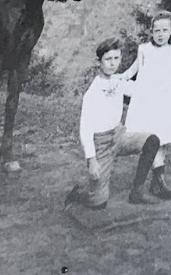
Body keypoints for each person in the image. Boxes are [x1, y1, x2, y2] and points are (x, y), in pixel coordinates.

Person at [65, 38, 161, 210]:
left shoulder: (117, 81)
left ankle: (137, 192)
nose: (113, 63)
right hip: (101, 144)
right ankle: (79, 193)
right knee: (98, 204)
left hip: (119, 136)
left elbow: (137, 89)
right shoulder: (92, 92)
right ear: (99, 62)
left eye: (116, 58)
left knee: (152, 140)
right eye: (108, 59)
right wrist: (92, 160)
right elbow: (85, 129)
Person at [123, 11, 171, 200]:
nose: (160, 34)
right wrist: (118, 79)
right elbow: (133, 70)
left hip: (167, 101)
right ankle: (157, 184)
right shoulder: (145, 50)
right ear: (151, 32)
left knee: (163, 140)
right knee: (153, 138)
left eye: (165, 30)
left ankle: (158, 183)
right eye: (156, 30)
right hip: (148, 102)